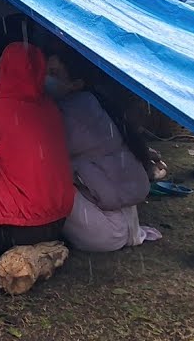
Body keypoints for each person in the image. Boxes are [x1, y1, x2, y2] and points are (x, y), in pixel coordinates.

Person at [45, 48, 162, 253]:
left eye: (54, 74)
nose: (46, 78)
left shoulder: (73, 112)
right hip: (126, 225)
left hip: (104, 233)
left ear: (76, 84)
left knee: (44, 180)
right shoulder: (94, 103)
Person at [0, 42, 75, 254]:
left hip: (16, 230)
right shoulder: (51, 108)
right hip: (58, 223)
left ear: (6, 70)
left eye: (0, 64)